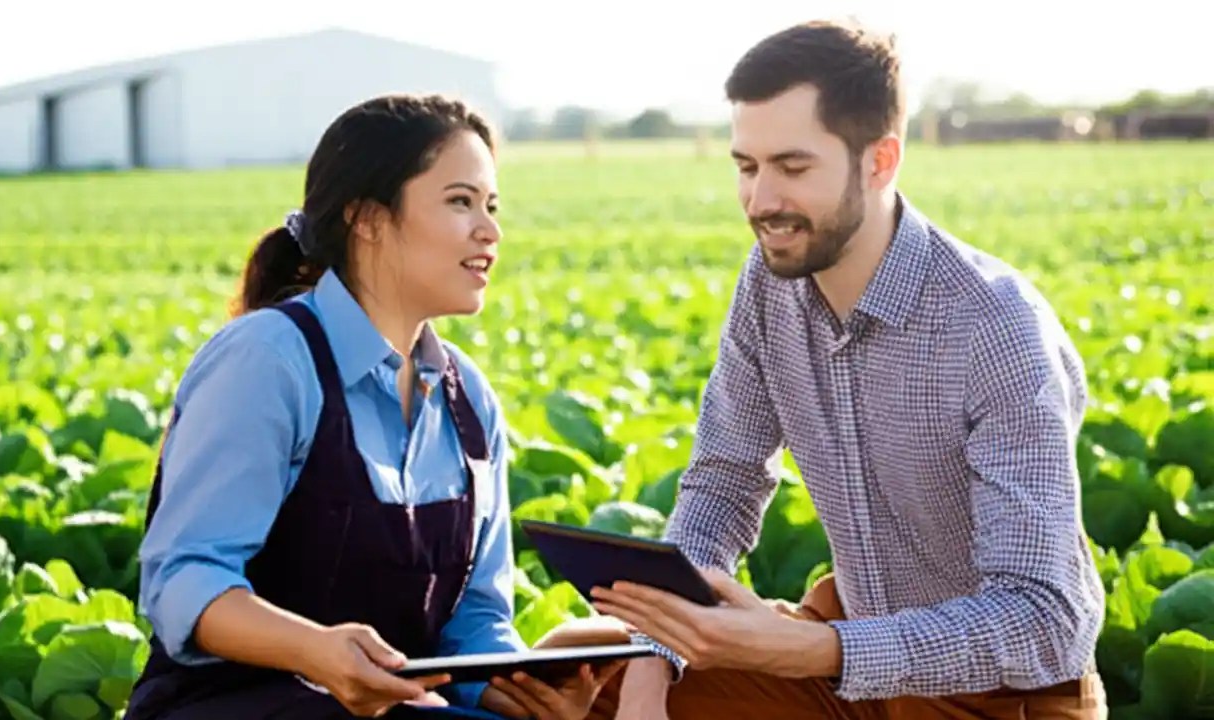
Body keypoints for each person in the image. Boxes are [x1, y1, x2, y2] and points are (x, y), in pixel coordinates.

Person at [586, 19, 1108, 720]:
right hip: (848, 668)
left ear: (880, 160)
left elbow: (1042, 620)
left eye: (793, 168)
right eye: (747, 166)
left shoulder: (996, 327)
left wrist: (813, 649)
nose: (761, 201)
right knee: (582, 682)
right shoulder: (771, 286)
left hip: (1000, 695)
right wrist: (653, 670)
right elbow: (723, 483)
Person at [123, 94, 622, 720]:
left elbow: (477, 620)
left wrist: (519, 694)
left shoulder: (471, 403)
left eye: (491, 206)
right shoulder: (269, 360)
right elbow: (183, 582)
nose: (490, 231)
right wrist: (314, 650)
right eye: (460, 202)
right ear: (366, 218)